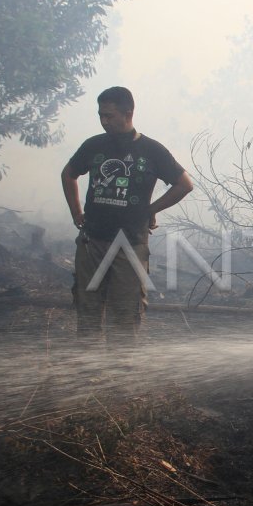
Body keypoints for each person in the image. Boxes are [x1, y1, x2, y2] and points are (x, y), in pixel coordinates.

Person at [61, 86, 194, 342]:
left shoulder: (152, 150)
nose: (104, 121)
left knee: (125, 313)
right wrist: (76, 211)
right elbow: (69, 174)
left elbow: (184, 184)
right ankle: (87, 371)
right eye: (101, 115)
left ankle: (120, 374)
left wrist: (151, 210)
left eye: (109, 115)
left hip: (130, 245)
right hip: (92, 242)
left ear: (128, 113)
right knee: (88, 309)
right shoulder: (94, 145)